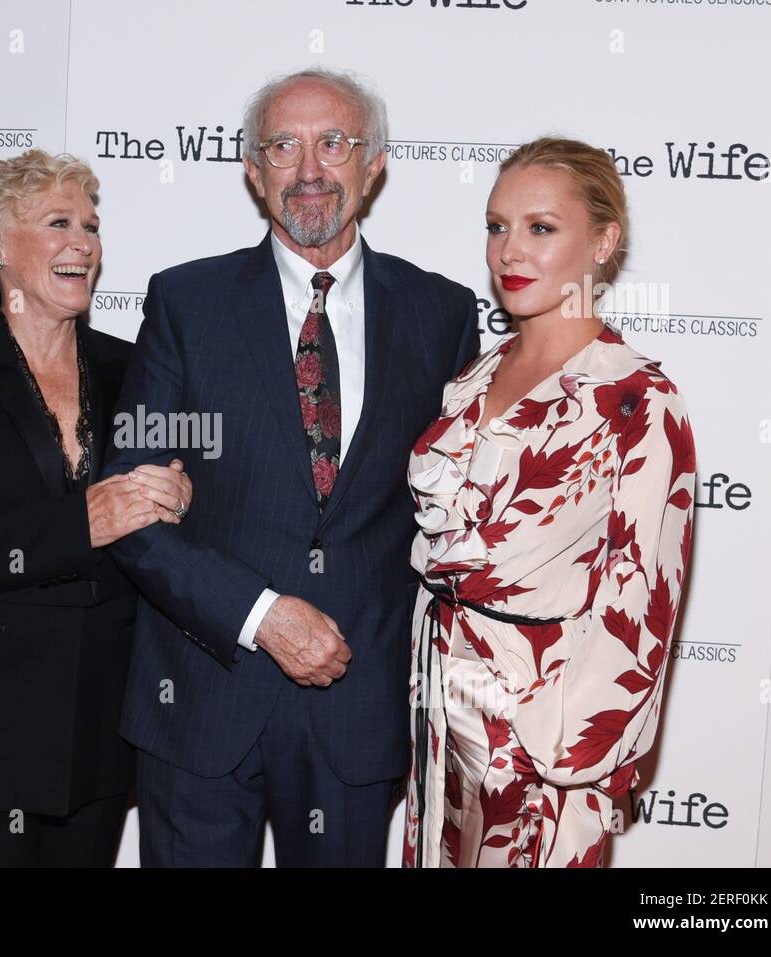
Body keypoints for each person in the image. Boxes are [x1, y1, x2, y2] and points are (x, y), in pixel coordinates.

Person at [104, 68, 480, 867]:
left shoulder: (441, 314)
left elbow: (452, 517)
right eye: (284, 145)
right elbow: (126, 510)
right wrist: (262, 614)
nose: (309, 168)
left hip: (357, 704)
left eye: (333, 142)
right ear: (252, 168)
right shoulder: (184, 302)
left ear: (373, 162)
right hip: (201, 696)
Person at [0, 150, 193, 867]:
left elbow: (178, 489)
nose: (83, 241)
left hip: (105, 721)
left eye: (90, 224)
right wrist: (81, 521)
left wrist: (182, 491)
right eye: (58, 222)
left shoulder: (134, 366)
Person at [402, 137, 697, 868]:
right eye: (497, 226)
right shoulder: (476, 375)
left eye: (540, 228)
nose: (510, 251)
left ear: (602, 240)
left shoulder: (637, 401)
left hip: (548, 739)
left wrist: (565, 751)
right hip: (445, 707)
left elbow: (644, 598)